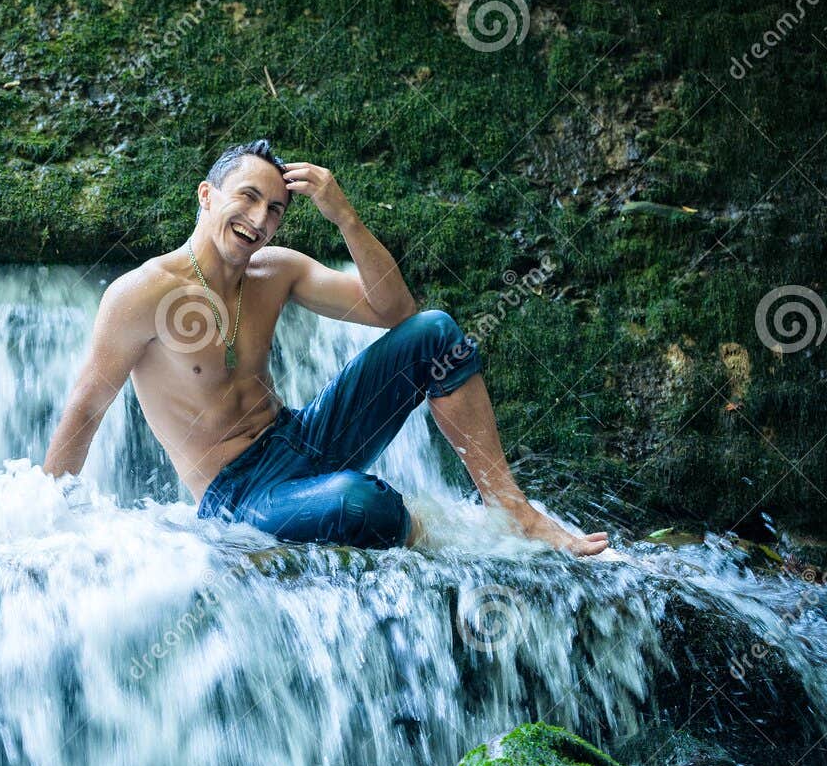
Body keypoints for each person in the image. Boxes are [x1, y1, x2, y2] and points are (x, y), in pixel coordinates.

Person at [41, 139, 610, 556]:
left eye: (275, 208)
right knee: (364, 504)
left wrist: (343, 213)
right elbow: (86, 408)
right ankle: (416, 526)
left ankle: (511, 509)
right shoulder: (143, 292)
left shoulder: (275, 271)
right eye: (247, 197)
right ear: (207, 195)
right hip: (239, 494)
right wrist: (47, 526)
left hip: (304, 436)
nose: (260, 219)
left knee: (435, 332)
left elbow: (395, 312)